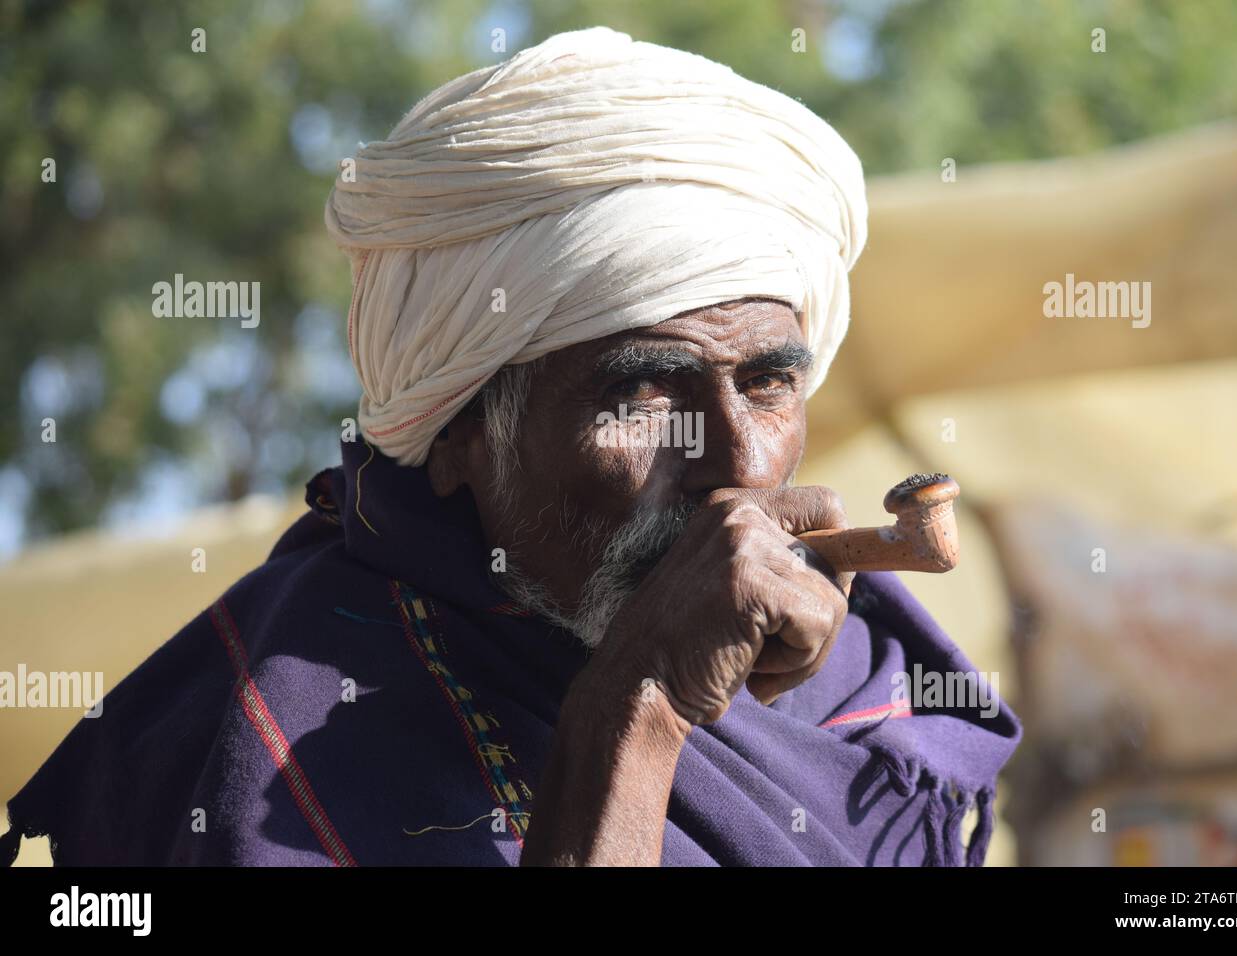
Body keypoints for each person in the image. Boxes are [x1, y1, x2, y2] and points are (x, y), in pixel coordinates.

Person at [2, 26, 1020, 867]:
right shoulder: (270, 733)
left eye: (768, 382)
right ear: (455, 431)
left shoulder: (866, 687)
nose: (740, 464)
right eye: (639, 391)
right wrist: (641, 703)